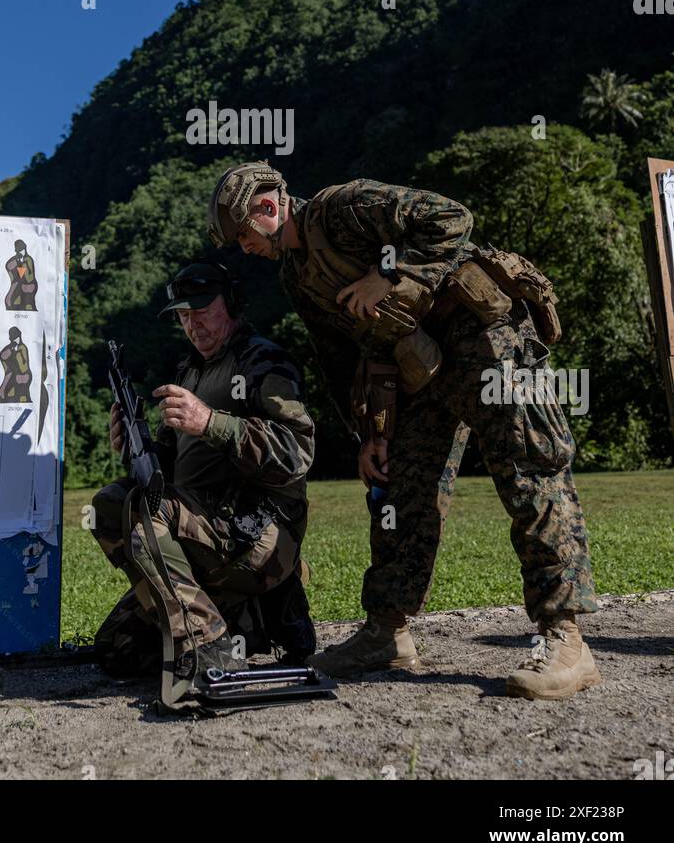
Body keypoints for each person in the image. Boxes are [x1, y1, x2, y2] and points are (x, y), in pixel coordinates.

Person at [207, 162, 602, 701]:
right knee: (397, 486)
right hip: (419, 367)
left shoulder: (343, 205)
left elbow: (451, 217)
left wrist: (389, 275)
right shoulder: (297, 277)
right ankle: (386, 633)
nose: (243, 248)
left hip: (484, 336)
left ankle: (565, 635)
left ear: (269, 208)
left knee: (529, 468)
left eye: (243, 235)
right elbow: (339, 359)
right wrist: (369, 434)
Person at [90, 262, 316, 683]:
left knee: (144, 507)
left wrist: (212, 422)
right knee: (117, 650)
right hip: (207, 532)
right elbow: (174, 470)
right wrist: (135, 445)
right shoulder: (190, 370)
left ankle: (211, 644)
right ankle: (255, 615)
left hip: (259, 531)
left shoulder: (262, 361)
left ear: (230, 305)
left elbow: (297, 453)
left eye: (201, 310)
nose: (192, 324)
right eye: (182, 315)